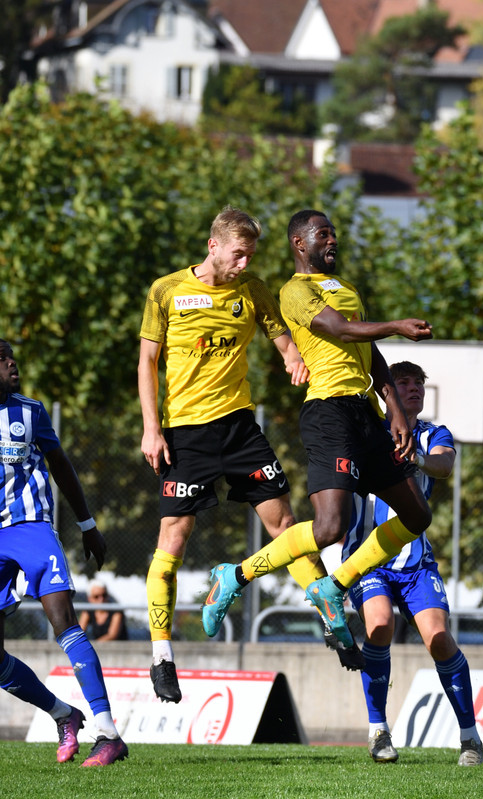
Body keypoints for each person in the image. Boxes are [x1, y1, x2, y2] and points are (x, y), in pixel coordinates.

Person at [200, 209, 434, 652]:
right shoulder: (293, 291)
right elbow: (341, 330)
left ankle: (336, 584)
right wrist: (398, 326)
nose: (333, 240)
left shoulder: (346, 288)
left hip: (365, 414)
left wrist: (395, 407)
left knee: (418, 515)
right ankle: (235, 575)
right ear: (299, 244)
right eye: (322, 233)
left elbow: (367, 347)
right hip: (329, 413)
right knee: (330, 528)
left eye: (334, 233)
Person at [138, 205, 335, 702]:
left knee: (284, 524)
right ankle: (161, 656)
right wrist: (151, 429)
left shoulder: (254, 289)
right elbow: (147, 361)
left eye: (251, 255)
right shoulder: (167, 290)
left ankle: (330, 616)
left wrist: (295, 359)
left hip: (241, 429)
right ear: (213, 247)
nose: (245, 264)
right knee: (174, 539)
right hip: (186, 434)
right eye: (238, 255)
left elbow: (282, 339)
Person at [0, 338, 128, 766]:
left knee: (63, 619)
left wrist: (87, 524)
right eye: (2, 358)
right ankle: (64, 714)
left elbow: (61, 466)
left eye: (11, 355)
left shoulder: (30, 411)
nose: (12, 362)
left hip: (32, 528)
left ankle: (108, 733)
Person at [345, 360, 483, 766]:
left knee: (438, 638)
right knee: (379, 625)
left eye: (418, 383)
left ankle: (470, 738)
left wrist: (416, 460)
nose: (413, 389)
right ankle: (378, 732)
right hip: (369, 561)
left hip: (415, 562)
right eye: (402, 382)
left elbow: (444, 463)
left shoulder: (432, 434)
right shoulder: (365, 431)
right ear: (385, 390)